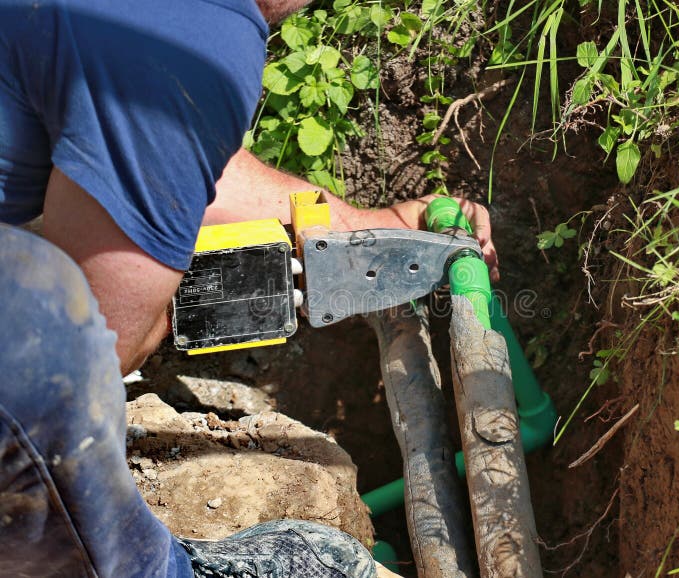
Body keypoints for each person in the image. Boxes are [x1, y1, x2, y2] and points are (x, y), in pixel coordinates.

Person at [0, 1, 497, 576]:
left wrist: (367, 227)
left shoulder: (157, 32)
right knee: (47, 348)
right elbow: (98, 346)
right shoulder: (197, 37)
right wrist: (172, 294)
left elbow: (158, 138)